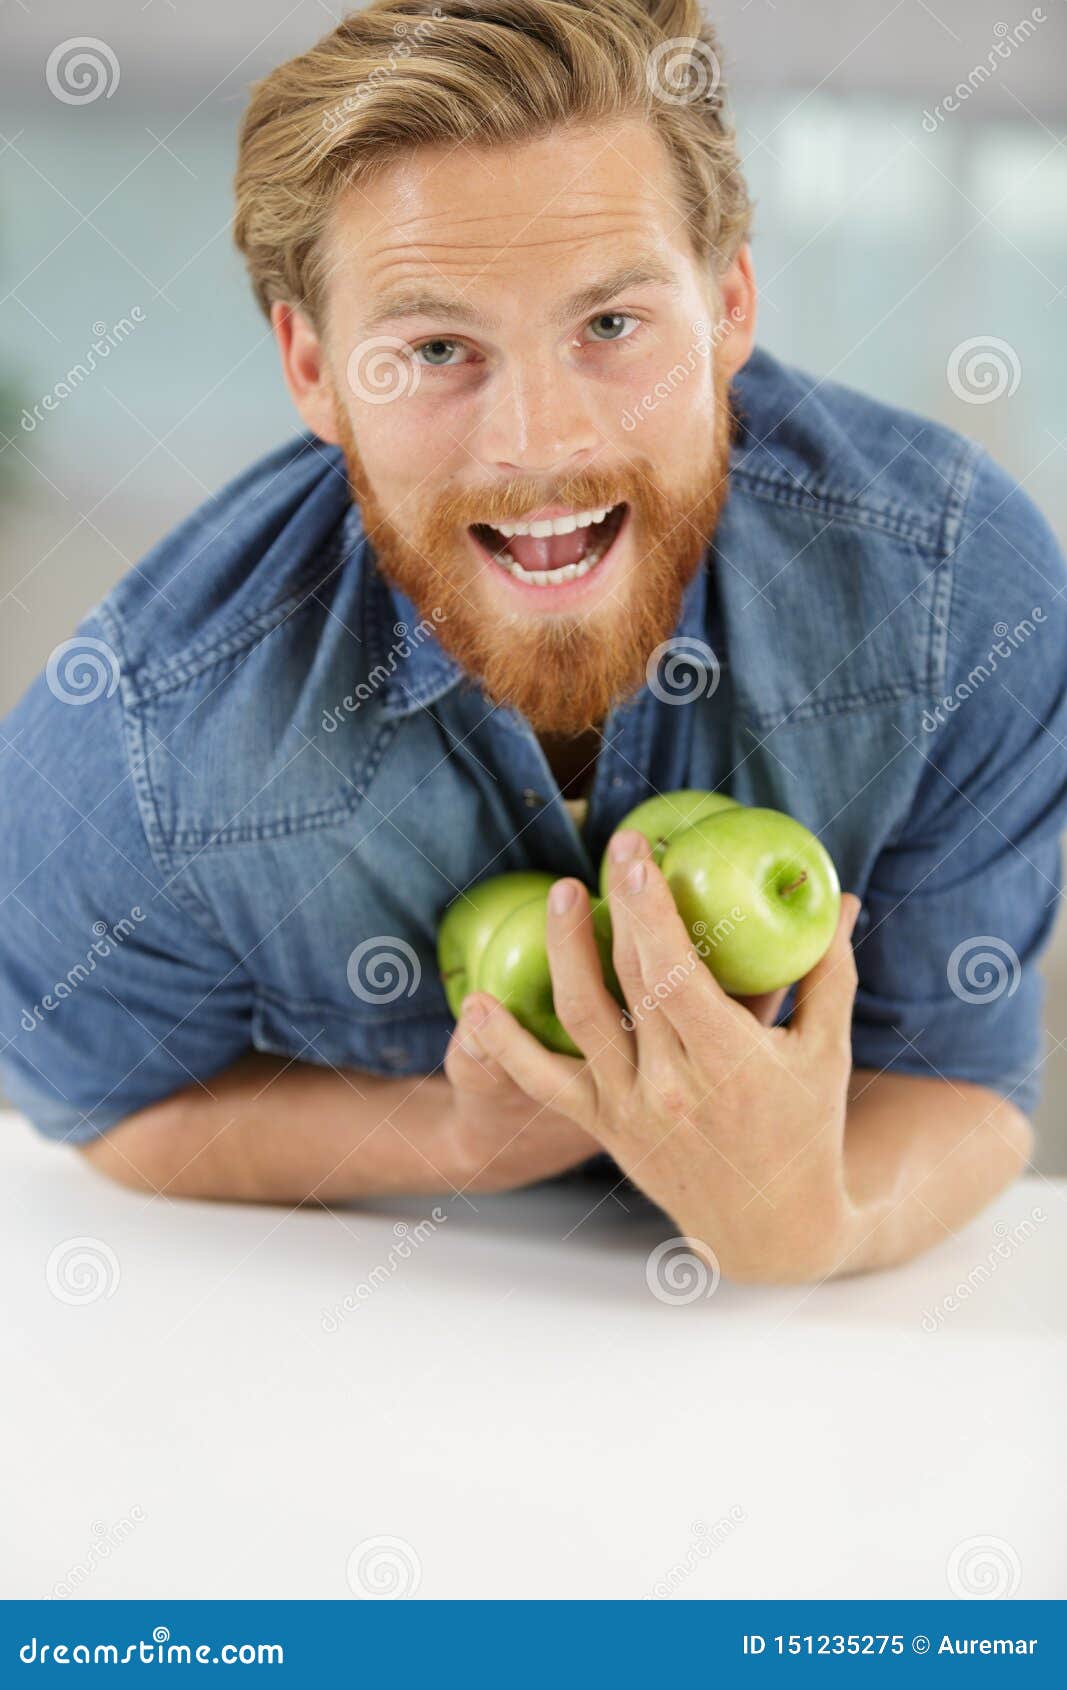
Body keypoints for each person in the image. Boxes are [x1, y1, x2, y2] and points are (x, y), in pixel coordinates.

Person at [1, 0, 1063, 1283]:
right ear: (313, 368)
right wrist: (455, 1140)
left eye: (611, 326)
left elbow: (959, 1076)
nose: (541, 443)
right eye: (436, 348)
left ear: (727, 305)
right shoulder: (138, 743)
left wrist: (809, 1223)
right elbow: (110, 1112)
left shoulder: (958, 586)